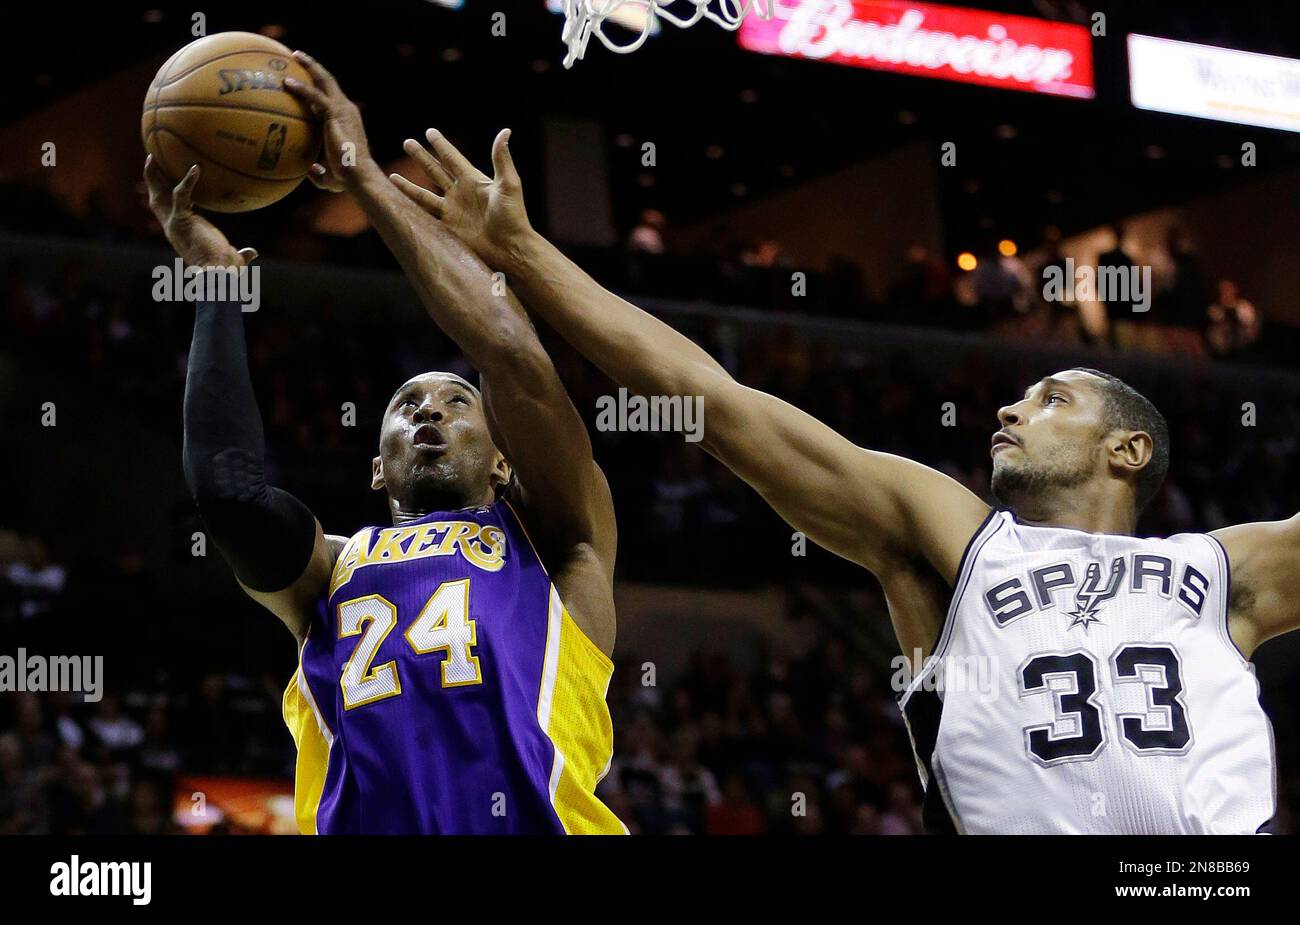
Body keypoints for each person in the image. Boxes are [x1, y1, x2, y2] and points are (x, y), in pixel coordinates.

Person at [390, 128, 1299, 835]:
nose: (1010, 413)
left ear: (1128, 451)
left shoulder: (1229, 567)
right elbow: (715, 401)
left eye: (1051, 398)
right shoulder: (953, 539)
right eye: (1016, 400)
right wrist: (523, 251)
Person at [143, 53, 625, 835]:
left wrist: (363, 173)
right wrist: (219, 286)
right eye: (405, 406)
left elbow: (513, 356)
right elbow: (228, 494)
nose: (427, 412)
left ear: (505, 459)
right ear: (376, 468)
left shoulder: (562, 546)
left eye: (456, 401)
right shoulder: (332, 570)